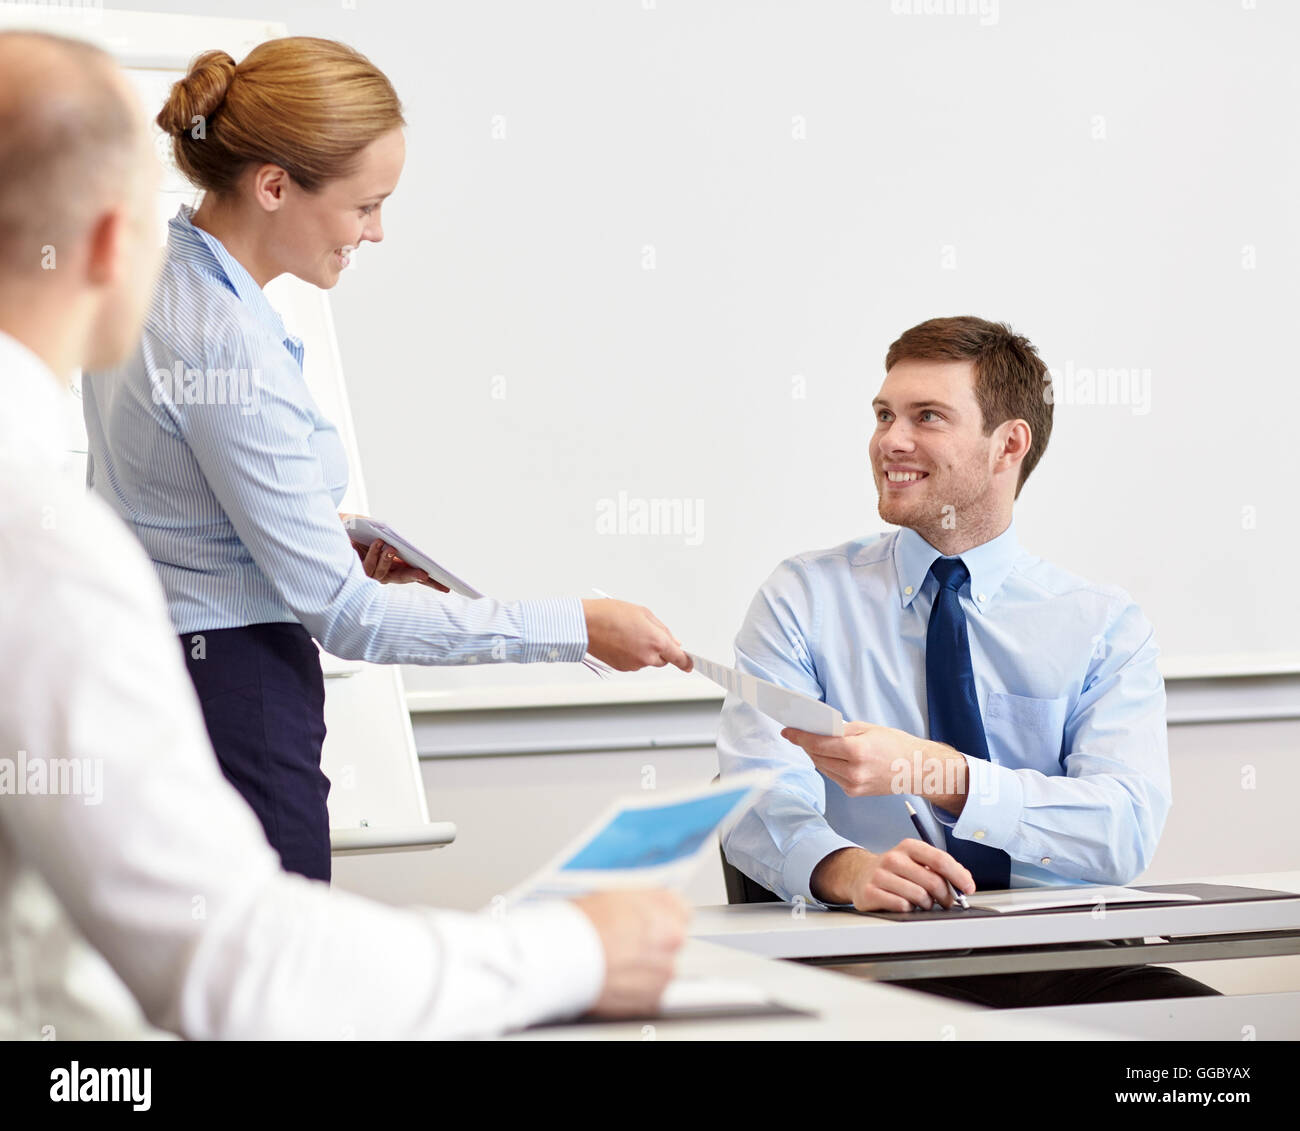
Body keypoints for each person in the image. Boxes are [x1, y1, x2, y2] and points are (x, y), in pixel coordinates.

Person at [0, 28, 687, 1041]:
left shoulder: (177, 283)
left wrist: (314, 530)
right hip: (242, 698)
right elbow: (345, 616)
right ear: (273, 186)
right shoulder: (214, 344)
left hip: (201, 667)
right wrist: (575, 626)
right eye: (365, 206)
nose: (374, 235)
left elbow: (188, 496)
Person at [717, 315, 1216, 1006]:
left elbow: (1123, 828)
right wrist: (846, 867)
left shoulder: (1101, 623)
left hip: (1066, 955)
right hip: (874, 958)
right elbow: (754, 793)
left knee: (1214, 1053)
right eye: (884, 413)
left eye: (926, 416)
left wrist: (940, 772)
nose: (891, 439)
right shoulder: (804, 597)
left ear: (1008, 444)